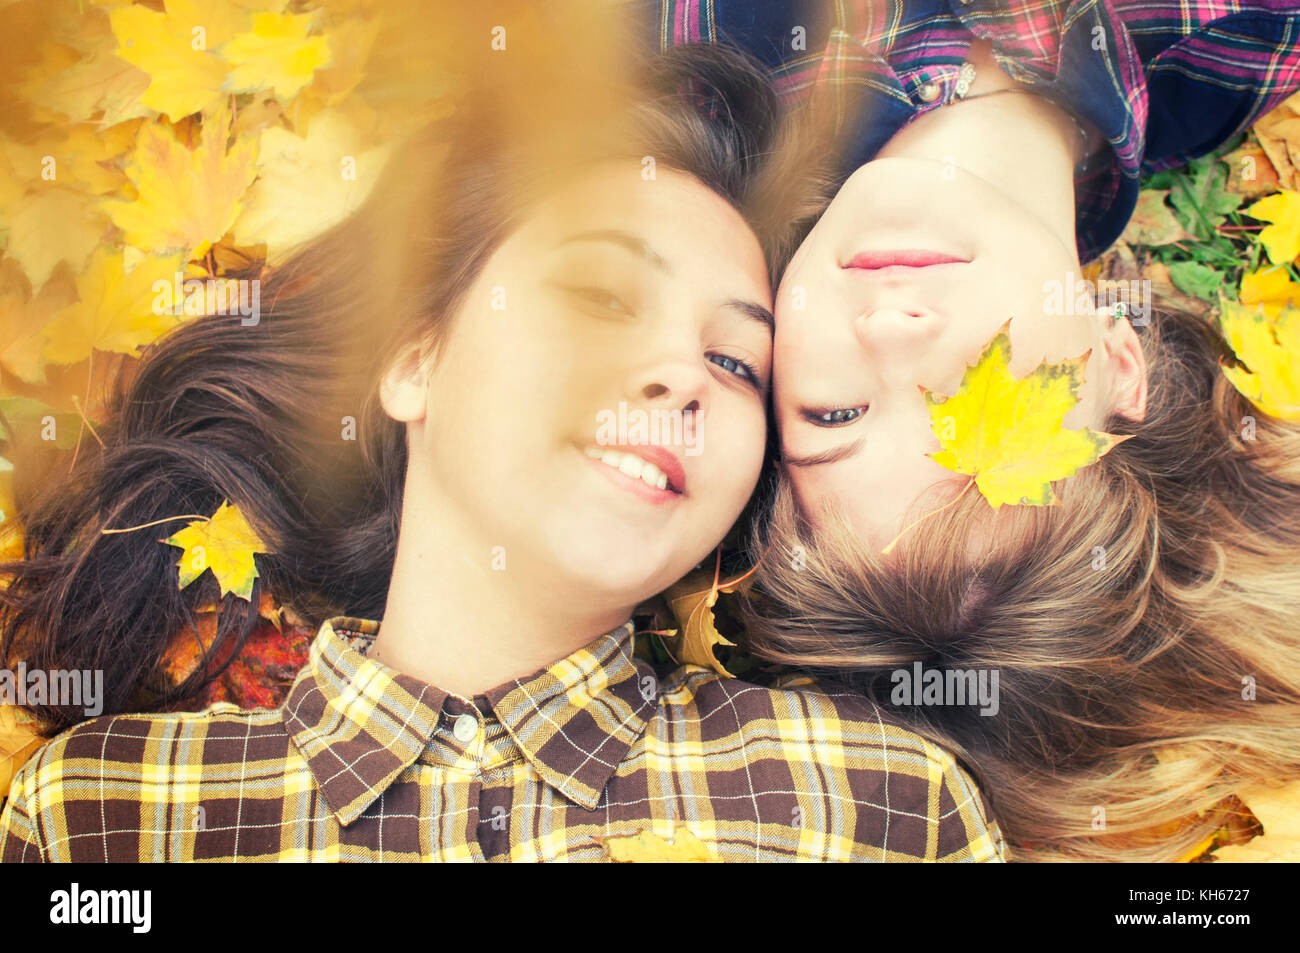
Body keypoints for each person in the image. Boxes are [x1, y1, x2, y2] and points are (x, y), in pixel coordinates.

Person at [0, 44, 1005, 862]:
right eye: (601, 297)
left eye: (736, 360)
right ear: (412, 359)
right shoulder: (104, 816)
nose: (680, 375)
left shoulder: (880, 801)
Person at [640, 1, 1300, 860]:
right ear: (1119, 362)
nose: (889, 332)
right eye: (976, 406)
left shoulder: (694, 65)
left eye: (833, 415)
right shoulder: (1238, 42)